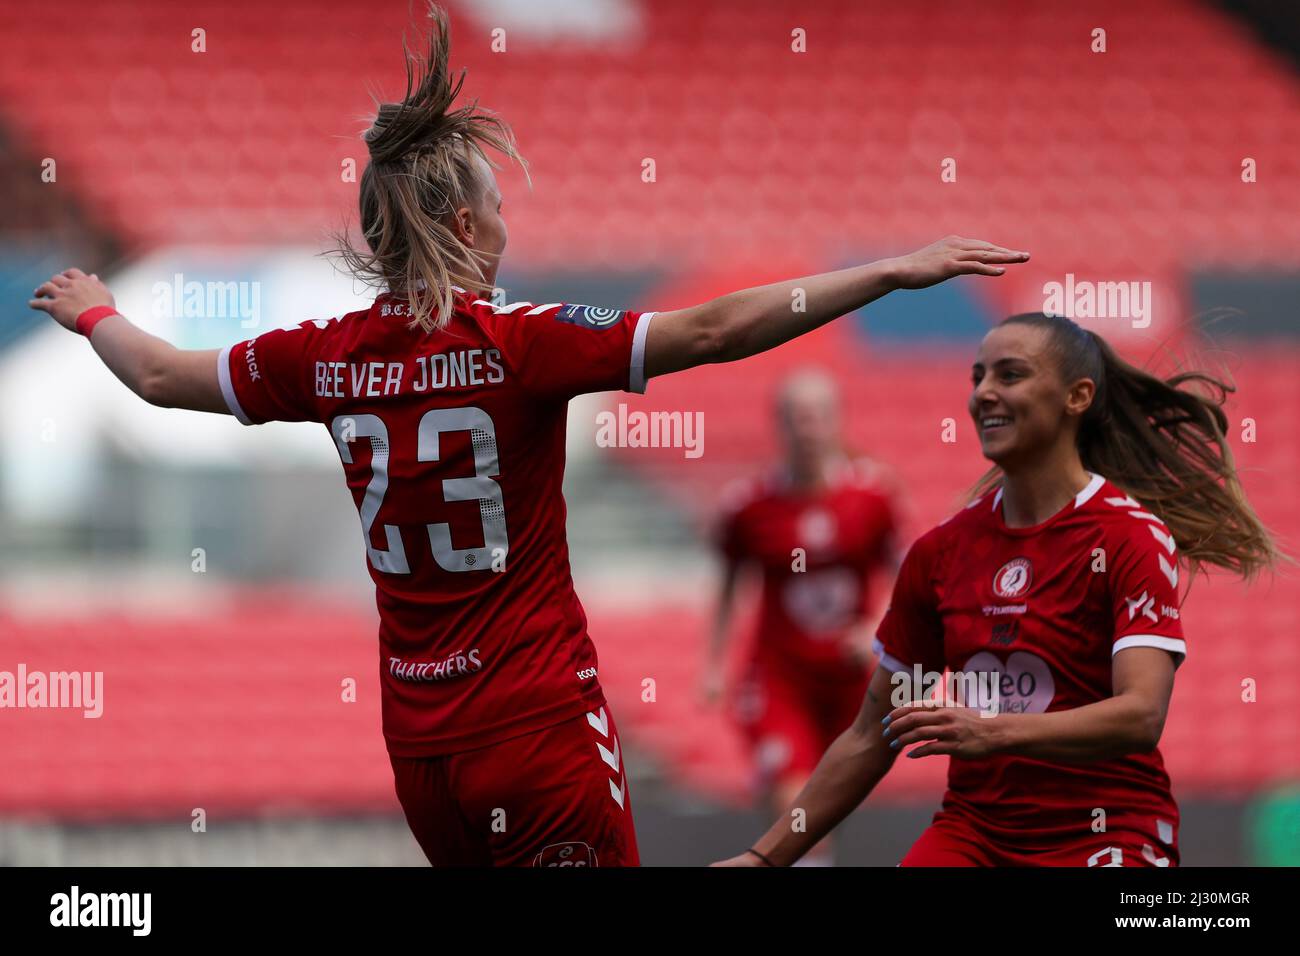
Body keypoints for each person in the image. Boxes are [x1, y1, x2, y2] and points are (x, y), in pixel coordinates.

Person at [27, 2, 1029, 867]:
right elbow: (717, 328)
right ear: (464, 224)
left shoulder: (322, 357)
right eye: (498, 209)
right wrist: (887, 271)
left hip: (424, 752)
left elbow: (159, 375)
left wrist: (96, 312)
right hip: (536, 728)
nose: (510, 228)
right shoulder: (519, 343)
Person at [715, 311, 1279, 867]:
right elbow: (868, 737)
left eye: (1009, 375)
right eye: (977, 377)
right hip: (976, 835)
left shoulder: (1129, 537)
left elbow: (1139, 715)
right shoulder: (941, 553)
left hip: (1106, 832)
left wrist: (991, 732)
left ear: (1076, 397)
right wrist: (763, 860)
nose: (983, 393)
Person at [704, 368, 899, 865]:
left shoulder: (873, 496)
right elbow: (729, 582)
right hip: (779, 676)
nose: (808, 429)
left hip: (851, 680)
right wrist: (714, 665)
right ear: (780, 425)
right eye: (797, 418)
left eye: (817, 417)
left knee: (826, 802)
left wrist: (877, 629)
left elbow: (906, 577)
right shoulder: (749, 506)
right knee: (793, 801)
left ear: (837, 422)